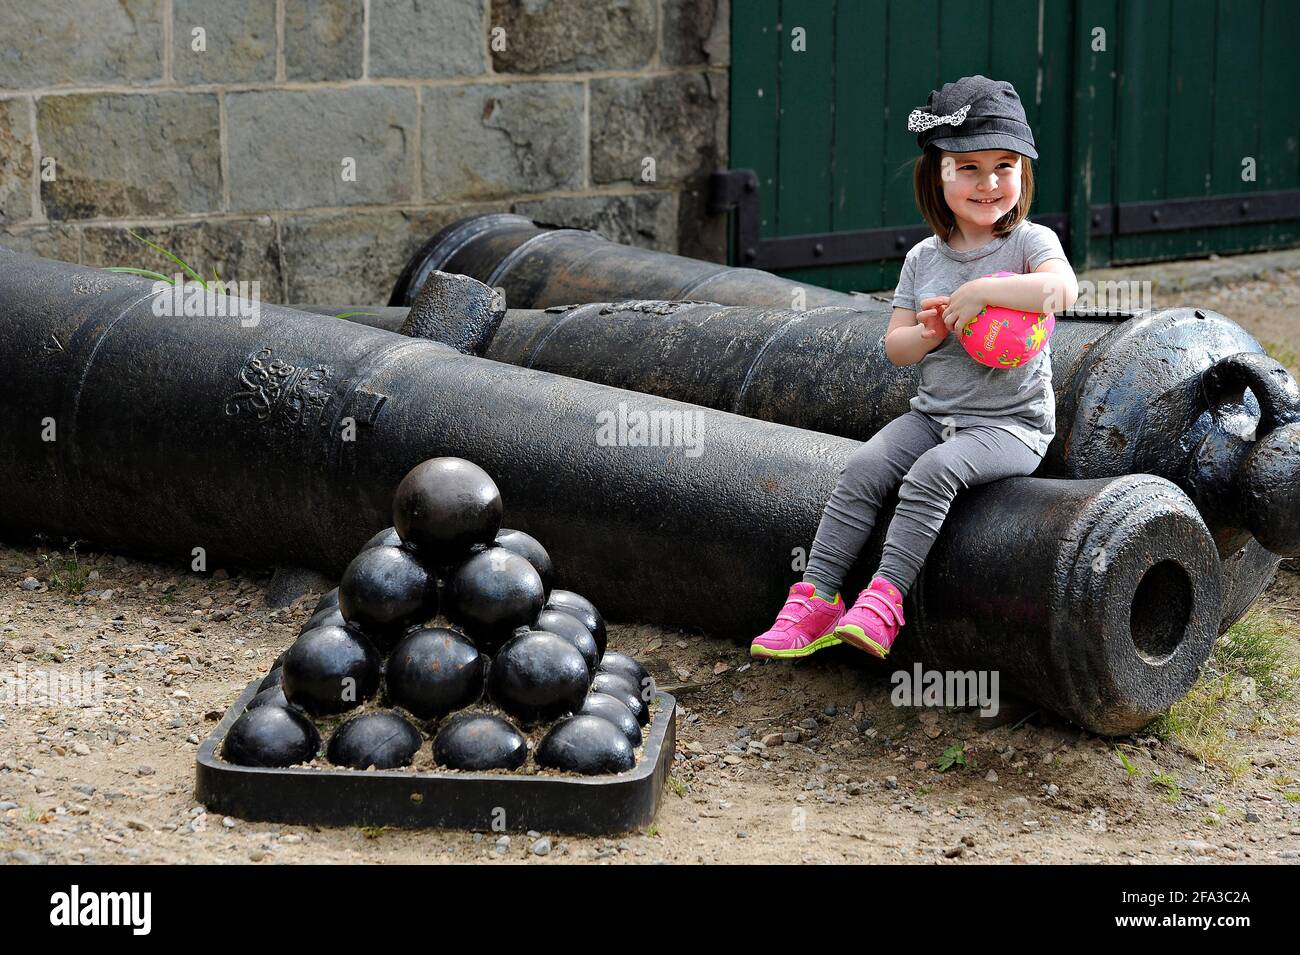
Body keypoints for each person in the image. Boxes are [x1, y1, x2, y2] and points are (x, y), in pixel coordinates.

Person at [751, 75, 1079, 660]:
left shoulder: (1031, 243)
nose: (989, 183)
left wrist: (981, 291)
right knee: (862, 468)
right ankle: (817, 598)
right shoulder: (922, 259)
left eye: (1004, 166)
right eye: (968, 168)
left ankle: (884, 600)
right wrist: (927, 335)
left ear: (1023, 174)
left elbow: (1063, 292)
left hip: (1011, 426)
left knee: (933, 473)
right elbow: (895, 347)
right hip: (933, 414)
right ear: (939, 175)